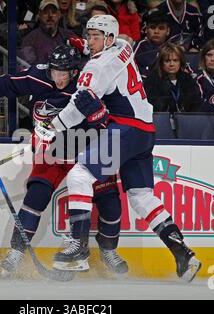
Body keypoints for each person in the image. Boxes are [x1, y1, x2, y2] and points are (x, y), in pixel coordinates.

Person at [46, 14, 201, 282]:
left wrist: (52, 126)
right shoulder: (124, 47)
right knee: (141, 196)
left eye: (95, 37)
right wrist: (83, 43)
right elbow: (114, 42)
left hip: (126, 129)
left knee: (79, 175)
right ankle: (184, 255)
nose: (90, 41)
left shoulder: (97, 67)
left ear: (107, 38)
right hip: (146, 132)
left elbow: (77, 107)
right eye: (89, 35)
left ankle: (78, 250)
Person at [0, 45, 128, 277]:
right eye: (54, 71)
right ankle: (15, 253)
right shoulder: (39, 76)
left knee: (110, 203)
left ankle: (108, 250)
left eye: (63, 73)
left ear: (75, 72)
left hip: (87, 147)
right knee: (35, 197)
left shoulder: (89, 84)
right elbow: (8, 83)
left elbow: (107, 118)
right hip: (52, 151)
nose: (57, 77)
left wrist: (98, 118)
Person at [144, 43, 202, 112]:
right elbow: (152, 106)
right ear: (161, 63)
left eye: (175, 60)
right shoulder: (152, 80)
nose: (171, 64)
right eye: (167, 61)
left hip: (184, 120)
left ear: (180, 62)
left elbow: (196, 104)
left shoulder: (188, 80)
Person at [18, 0, 76, 65]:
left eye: (53, 12)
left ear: (59, 15)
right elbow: (29, 65)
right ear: (39, 15)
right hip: (41, 74)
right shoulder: (30, 39)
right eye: (45, 12)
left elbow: (81, 60)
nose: (50, 15)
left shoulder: (70, 36)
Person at [133, 10, 170, 78]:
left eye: (161, 28)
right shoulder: (139, 45)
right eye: (152, 27)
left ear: (168, 31)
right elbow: (130, 68)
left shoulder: (171, 48)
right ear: (146, 29)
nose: (156, 31)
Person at [196, 39, 214, 112]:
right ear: (204, 57)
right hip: (206, 120)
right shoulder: (197, 79)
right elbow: (198, 105)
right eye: (209, 55)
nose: (212, 59)